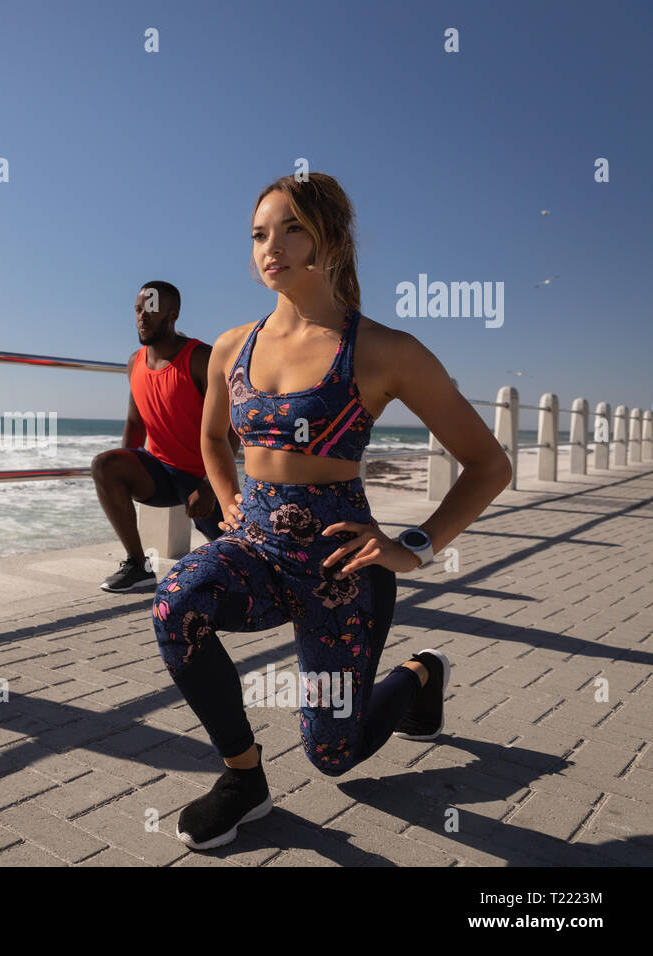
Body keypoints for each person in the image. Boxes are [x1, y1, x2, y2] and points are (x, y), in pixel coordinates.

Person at [153, 173, 513, 851]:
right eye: (260, 233)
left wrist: (415, 547)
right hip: (254, 554)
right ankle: (243, 779)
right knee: (176, 603)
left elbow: (490, 464)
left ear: (333, 239)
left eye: (291, 229)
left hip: (340, 571)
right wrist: (230, 502)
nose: (272, 246)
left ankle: (419, 676)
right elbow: (210, 438)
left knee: (334, 758)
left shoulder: (383, 350)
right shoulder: (232, 346)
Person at [91, 281, 243, 593]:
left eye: (150, 308)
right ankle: (138, 565)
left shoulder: (201, 358)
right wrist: (127, 463)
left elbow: (232, 427)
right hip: (158, 473)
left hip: (202, 478)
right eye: (137, 309)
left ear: (172, 314)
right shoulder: (135, 362)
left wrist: (209, 486)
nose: (141, 316)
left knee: (242, 565)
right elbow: (135, 421)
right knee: (104, 464)